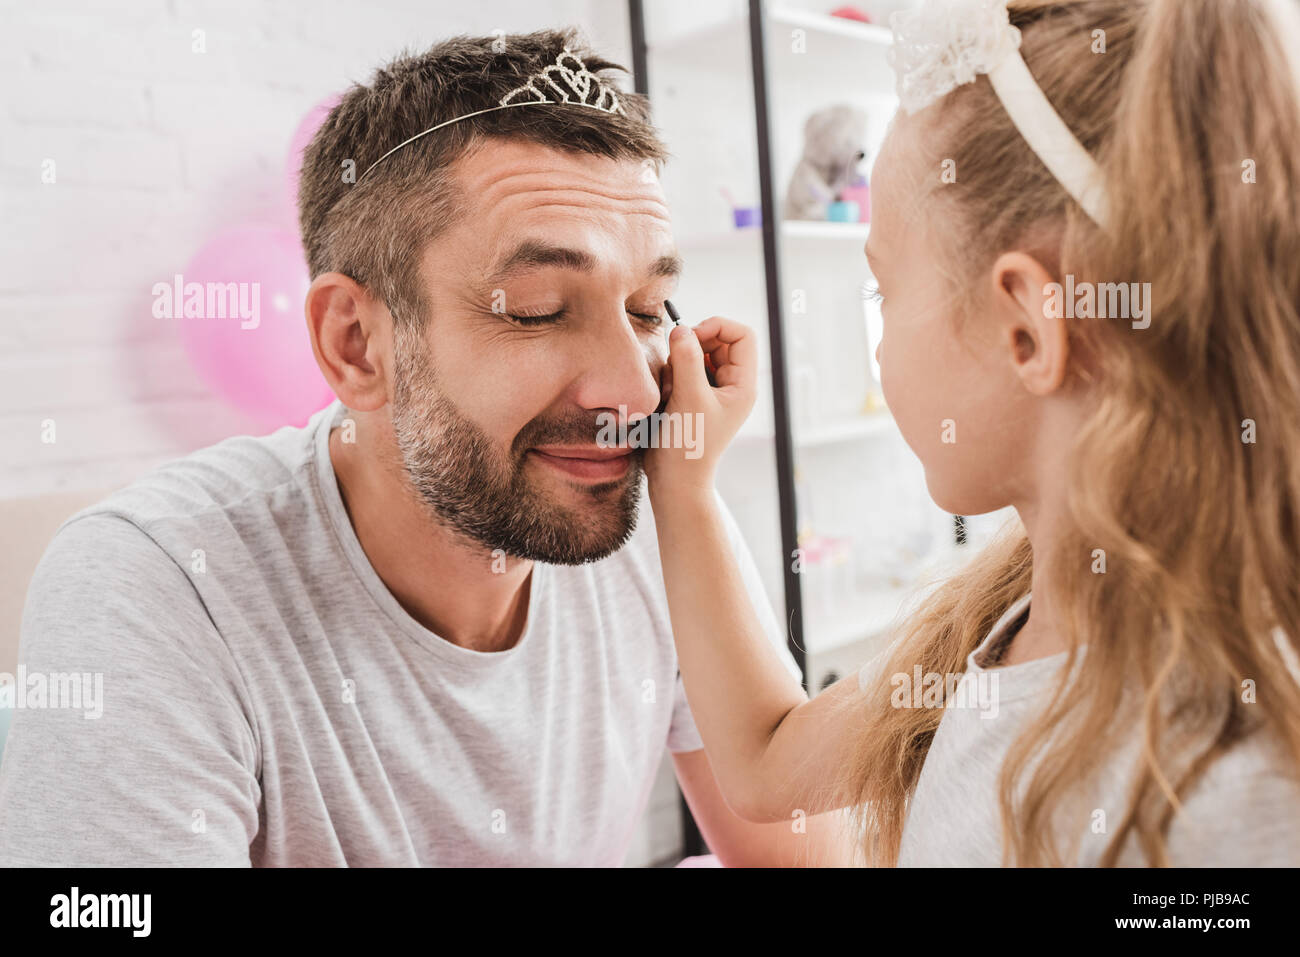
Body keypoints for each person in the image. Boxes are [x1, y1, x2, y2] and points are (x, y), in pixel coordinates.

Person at [0, 29, 851, 867]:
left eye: (645, 309)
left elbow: (802, 856)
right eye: (537, 309)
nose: (632, 393)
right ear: (358, 344)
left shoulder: (664, 516)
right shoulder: (156, 584)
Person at [645, 0, 1300, 866]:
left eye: (884, 293)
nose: (879, 340)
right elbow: (768, 762)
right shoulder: (1011, 617)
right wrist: (685, 483)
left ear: (1027, 327)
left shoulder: (1237, 791)